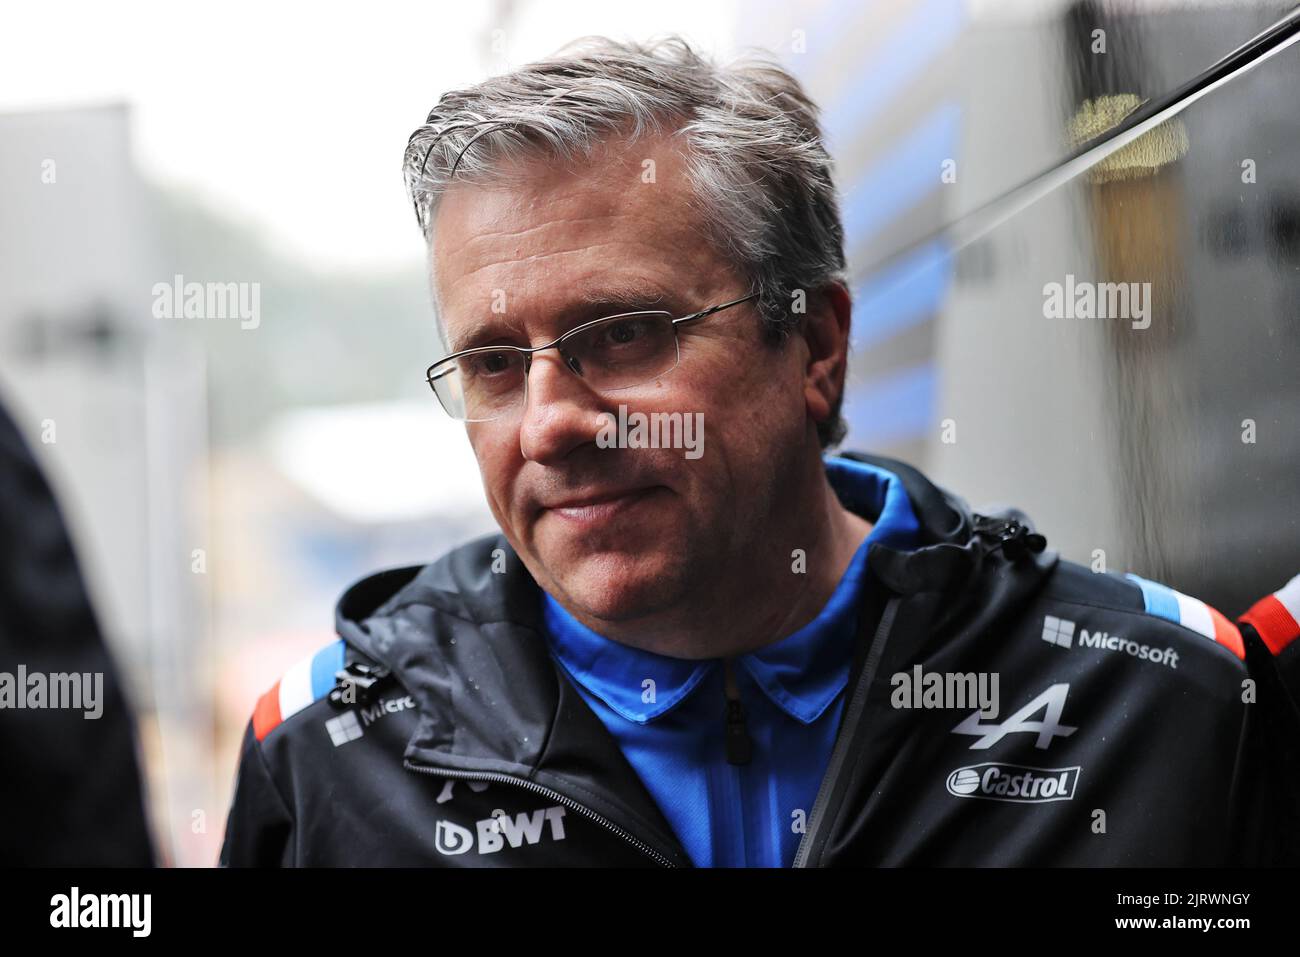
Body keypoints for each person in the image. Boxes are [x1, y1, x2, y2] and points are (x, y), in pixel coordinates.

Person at [220, 36, 1294, 867]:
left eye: (623, 335)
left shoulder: (1161, 700)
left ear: (814, 344)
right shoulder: (328, 758)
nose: (548, 423)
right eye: (495, 363)